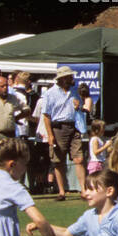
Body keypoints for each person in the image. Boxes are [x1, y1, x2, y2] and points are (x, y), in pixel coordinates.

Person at [39, 66, 85, 202]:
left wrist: (78, 107)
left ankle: (83, 189)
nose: (72, 79)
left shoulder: (74, 92)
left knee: (79, 159)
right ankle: (61, 191)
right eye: (70, 77)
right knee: (58, 161)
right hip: (58, 128)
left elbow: (80, 107)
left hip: (73, 126)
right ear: (62, 79)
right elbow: (46, 116)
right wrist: (50, 135)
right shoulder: (50, 93)